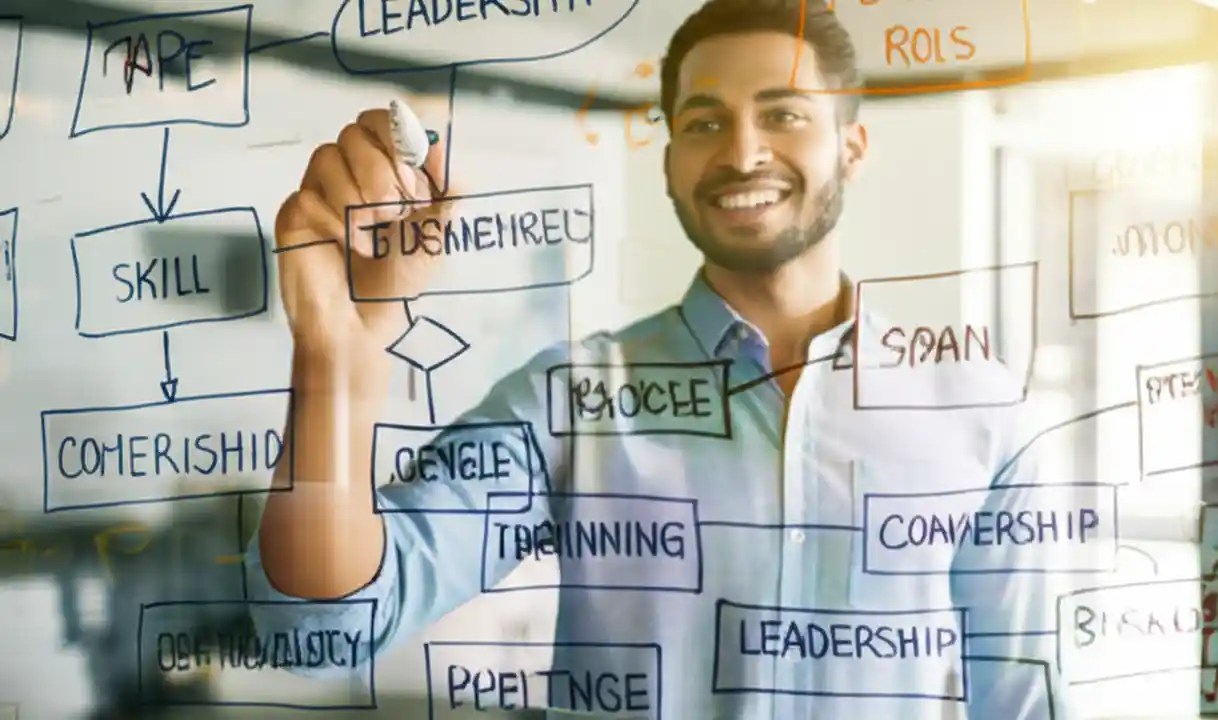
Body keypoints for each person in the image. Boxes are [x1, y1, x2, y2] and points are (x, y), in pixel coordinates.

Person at [248, 0, 1081, 717]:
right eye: (705, 122)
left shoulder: (986, 414)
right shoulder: (567, 401)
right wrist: (336, 357)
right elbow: (326, 627)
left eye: (784, 113)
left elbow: (1021, 702)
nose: (742, 152)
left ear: (852, 147)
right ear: (672, 163)